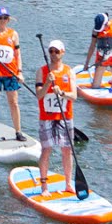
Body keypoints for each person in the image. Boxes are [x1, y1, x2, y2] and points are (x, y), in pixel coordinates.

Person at [34, 39, 77, 193]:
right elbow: (39, 95)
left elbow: (74, 96)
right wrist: (47, 83)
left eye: (56, 51)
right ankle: (44, 186)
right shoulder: (42, 71)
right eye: (51, 51)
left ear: (62, 53)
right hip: (46, 117)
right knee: (47, 149)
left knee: (67, 150)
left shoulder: (69, 71)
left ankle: (68, 184)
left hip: (65, 116)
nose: (53, 54)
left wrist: (62, 93)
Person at [0, 7, 27, 142]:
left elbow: (18, 55)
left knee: (13, 103)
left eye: (5, 18)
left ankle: (18, 131)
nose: (3, 20)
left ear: (8, 19)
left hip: (10, 73)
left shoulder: (13, 34)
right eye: (0, 18)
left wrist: (20, 72)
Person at [83, 12, 112, 91]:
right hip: (101, 57)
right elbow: (92, 46)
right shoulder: (96, 31)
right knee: (95, 85)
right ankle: (97, 83)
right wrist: (87, 63)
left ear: (106, 23)